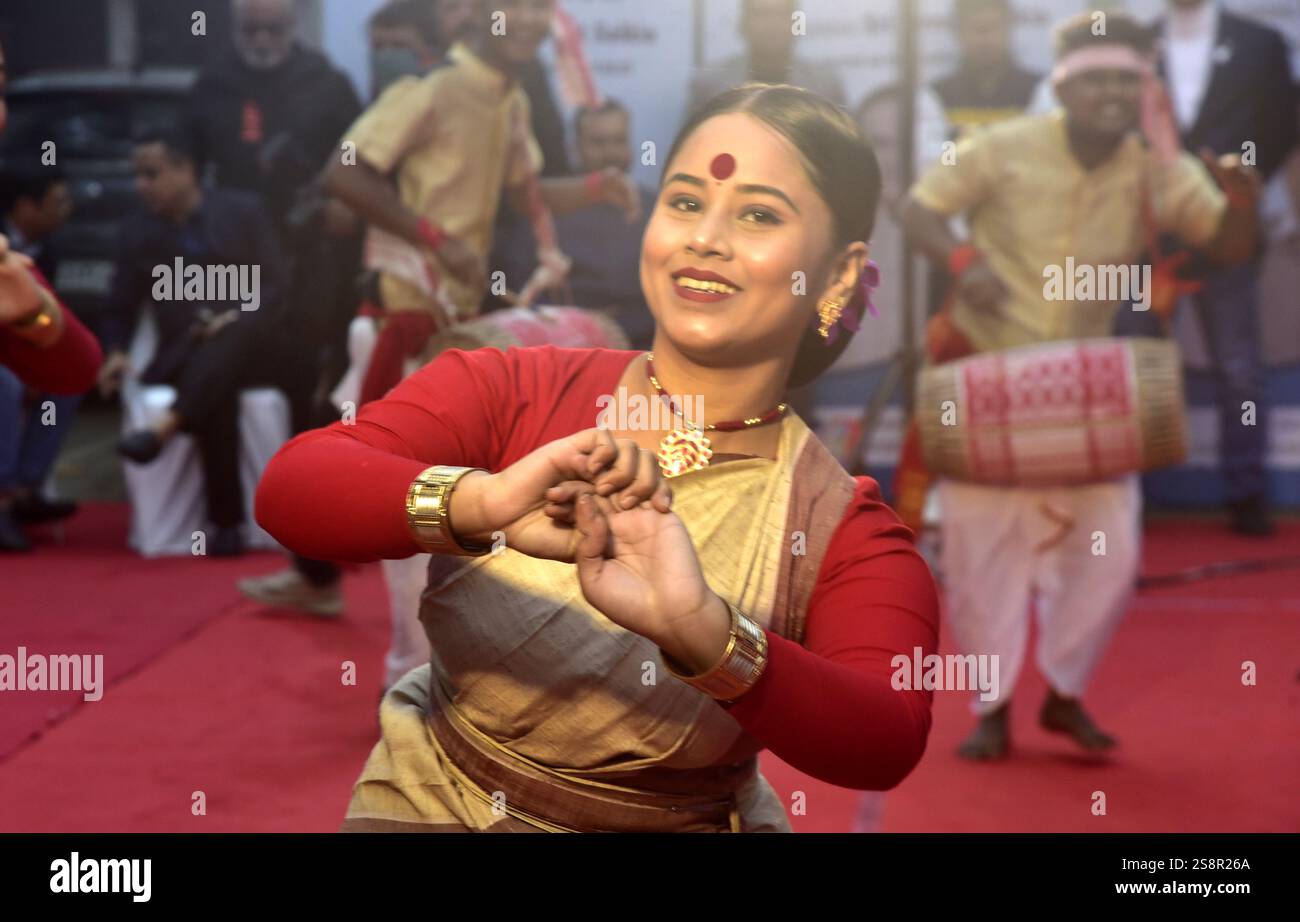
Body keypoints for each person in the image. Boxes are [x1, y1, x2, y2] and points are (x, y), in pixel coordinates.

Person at [255, 83, 940, 833]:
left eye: (757, 215)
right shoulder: (513, 384)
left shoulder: (839, 526)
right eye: (683, 202)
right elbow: (292, 489)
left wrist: (705, 634)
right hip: (430, 800)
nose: (703, 238)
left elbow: (887, 737)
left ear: (839, 275)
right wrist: (481, 504)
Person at [898, 12, 1260, 760]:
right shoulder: (1000, 148)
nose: (1111, 93)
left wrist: (1244, 204)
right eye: (1095, 78)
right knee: (978, 553)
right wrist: (966, 264)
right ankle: (992, 706)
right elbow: (917, 209)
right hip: (988, 379)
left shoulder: (1157, 168)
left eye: (1126, 80)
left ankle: (1063, 693)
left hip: (1087, 394)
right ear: (1064, 85)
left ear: (1143, 88)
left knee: (1110, 553)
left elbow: (1224, 245)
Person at [100, 131, 302, 559]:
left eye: (151, 174)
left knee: (232, 338)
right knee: (216, 375)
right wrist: (115, 351)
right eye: (137, 175)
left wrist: (234, 317)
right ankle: (227, 524)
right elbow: (120, 302)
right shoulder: (137, 231)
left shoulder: (242, 211)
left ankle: (218, 511)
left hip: (258, 349)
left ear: (185, 170)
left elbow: (277, 286)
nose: (141, 185)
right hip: (186, 355)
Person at [1139, 0, 1299, 535]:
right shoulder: (1138, 44)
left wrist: (1240, 183)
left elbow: (1280, 123)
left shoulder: (1259, 42)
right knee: (1139, 364)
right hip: (1150, 235)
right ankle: (1127, 496)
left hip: (1229, 225)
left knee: (1238, 365)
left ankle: (1246, 493)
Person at [0, 39, 103, 552]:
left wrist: (37, 322)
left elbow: (75, 359)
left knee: (48, 380)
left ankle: (22, 490)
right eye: (57, 201)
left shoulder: (37, 253)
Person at [490, 98, 658, 348]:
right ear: (575, 147)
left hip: (644, 349)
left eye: (619, 141)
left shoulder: (657, 207)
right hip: (564, 349)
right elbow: (506, 285)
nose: (610, 152)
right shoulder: (549, 206)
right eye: (598, 142)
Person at [0, 160, 80, 549]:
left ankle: (26, 490)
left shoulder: (50, 248)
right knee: (8, 385)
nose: (67, 210)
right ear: (26, 207)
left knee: (67, 379)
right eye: (57, 201)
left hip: (14, 345)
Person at [687, 0, 844, 112]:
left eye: (782, 14)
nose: (772, 24)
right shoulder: (711, 84)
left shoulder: (825, 85)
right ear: (743, 23)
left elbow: (845, 151)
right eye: (762, 14)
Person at [931, 0, 1042, 142]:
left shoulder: (1037, 91)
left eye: (993, 27)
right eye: (976, 29)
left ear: (1008, 30)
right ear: (958, 33)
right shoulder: (939, 96)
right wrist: (953, 161)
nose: (985, 39)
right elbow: (946, 156)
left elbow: (1039, 156)